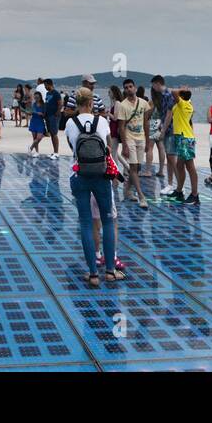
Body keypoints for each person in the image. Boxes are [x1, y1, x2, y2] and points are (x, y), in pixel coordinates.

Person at [65, 87, 121, 287]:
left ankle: (92, 273)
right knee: (107, 221)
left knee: (86, 223)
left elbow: (72, 148)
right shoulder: (103, 122)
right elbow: (108, 148)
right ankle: (110, 272)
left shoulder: (70, 123)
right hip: (101, 176)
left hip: (80, 175)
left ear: (77, 104)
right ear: (91, 103)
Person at [117, 79, 150, 208]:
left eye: (131, 86)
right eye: (126, 87)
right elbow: (121, 127)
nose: (129, 89)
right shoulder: (123, 105)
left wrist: (147, 141)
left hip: (141, 138)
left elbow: (146, 122)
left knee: (137, 168)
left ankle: (127, 190)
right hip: (129, 138)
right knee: (133, 168)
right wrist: (124, 145)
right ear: (124, 90)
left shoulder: (144, 103)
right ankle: (141, 196)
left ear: (135, 88)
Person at [165, 87, 198, 204]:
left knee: (190, 166)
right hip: (182, 137)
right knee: (179, 166)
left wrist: (181, 89)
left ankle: (195, 195)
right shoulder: (185, 105)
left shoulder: (184, 104)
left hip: (185, 138)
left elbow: (173, 92)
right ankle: (179, 191)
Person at [145, 76, 173, 179]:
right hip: (162, 123)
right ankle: (161, 170)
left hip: (154, 123)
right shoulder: (166, 96)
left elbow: (148, 113)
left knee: (150, 148)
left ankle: (148, 170)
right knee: (161, 148)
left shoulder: (154, 101)